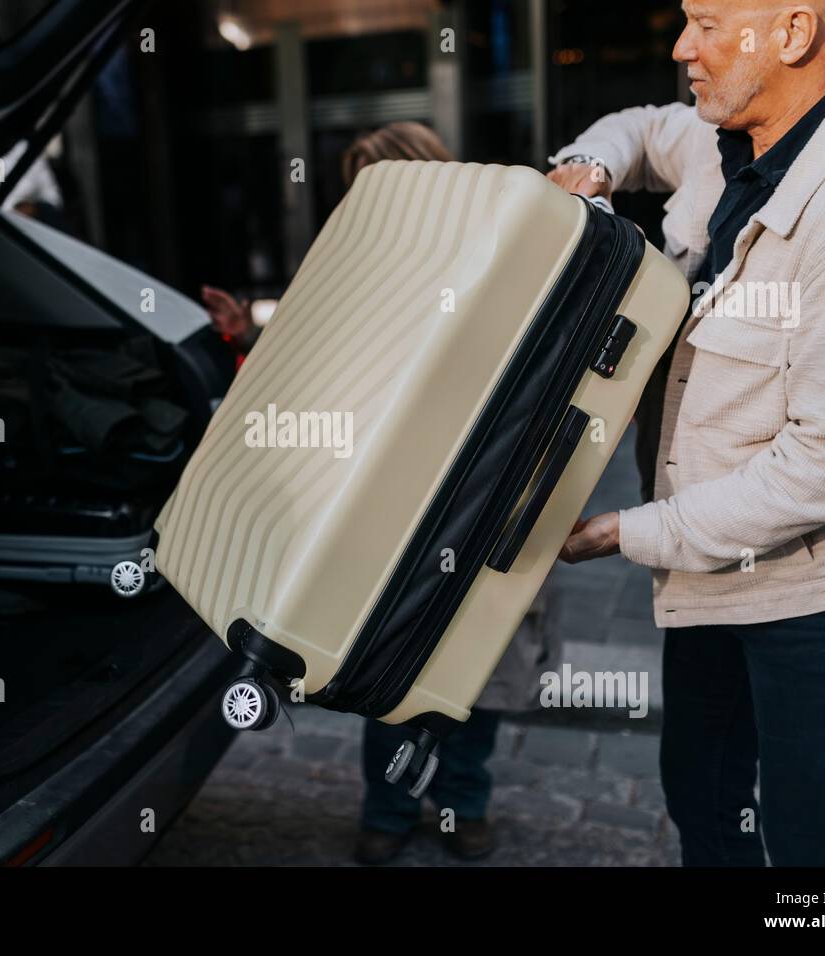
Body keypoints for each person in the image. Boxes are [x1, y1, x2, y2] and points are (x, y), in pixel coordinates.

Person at [549, 0, 825, 866]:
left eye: (707, 22)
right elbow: (642, 129)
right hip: (715, 563)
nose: (683, 46)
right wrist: (589, 162)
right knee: (702, 797)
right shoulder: (731, 129)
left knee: (813, 847)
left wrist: (630, 531)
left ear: (794, 34)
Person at [202, 122, 562, 865]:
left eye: (380, 180)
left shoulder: (504, 257)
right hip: (389, 512)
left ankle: (464, 800)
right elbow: (305, 377)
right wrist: (242, 339)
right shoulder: (355, 268)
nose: (369, 200)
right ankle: (389, 809)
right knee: (384, 659)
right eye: (360, 184)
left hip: (483, 495)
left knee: (476, 665)